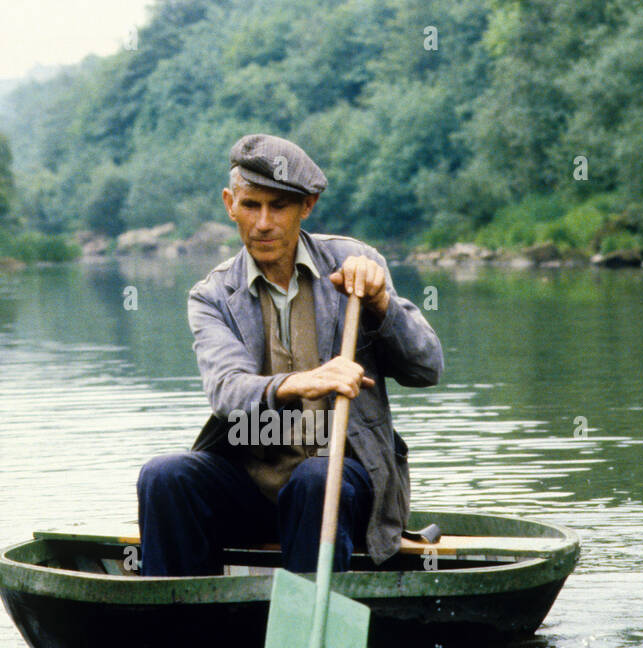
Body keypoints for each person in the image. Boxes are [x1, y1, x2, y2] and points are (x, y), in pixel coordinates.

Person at [137, 133, 443, 577]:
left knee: (315, 480)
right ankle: (182, 626)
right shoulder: (212, 295)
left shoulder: (354, 263)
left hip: (344, 484)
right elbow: (227, 392)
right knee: (164, 476)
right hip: (252, 487)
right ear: (229, 204)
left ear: (307, 206)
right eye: (250, 205)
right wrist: (303, 381)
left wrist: (380, 304)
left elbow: (427, 367)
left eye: (278, 206)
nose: (263, 223)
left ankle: (302, 636)